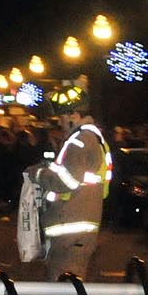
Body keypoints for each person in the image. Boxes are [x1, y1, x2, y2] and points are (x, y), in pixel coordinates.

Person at [37, 104, 111, 283]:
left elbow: (67, 181)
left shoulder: (80, 140)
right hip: (79, 223)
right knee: (69, 286)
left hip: (70, 226)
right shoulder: (92, 138)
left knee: (65, 291)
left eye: (62, 117)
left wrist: (39, 174)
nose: (60, 123)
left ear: (74, 115)